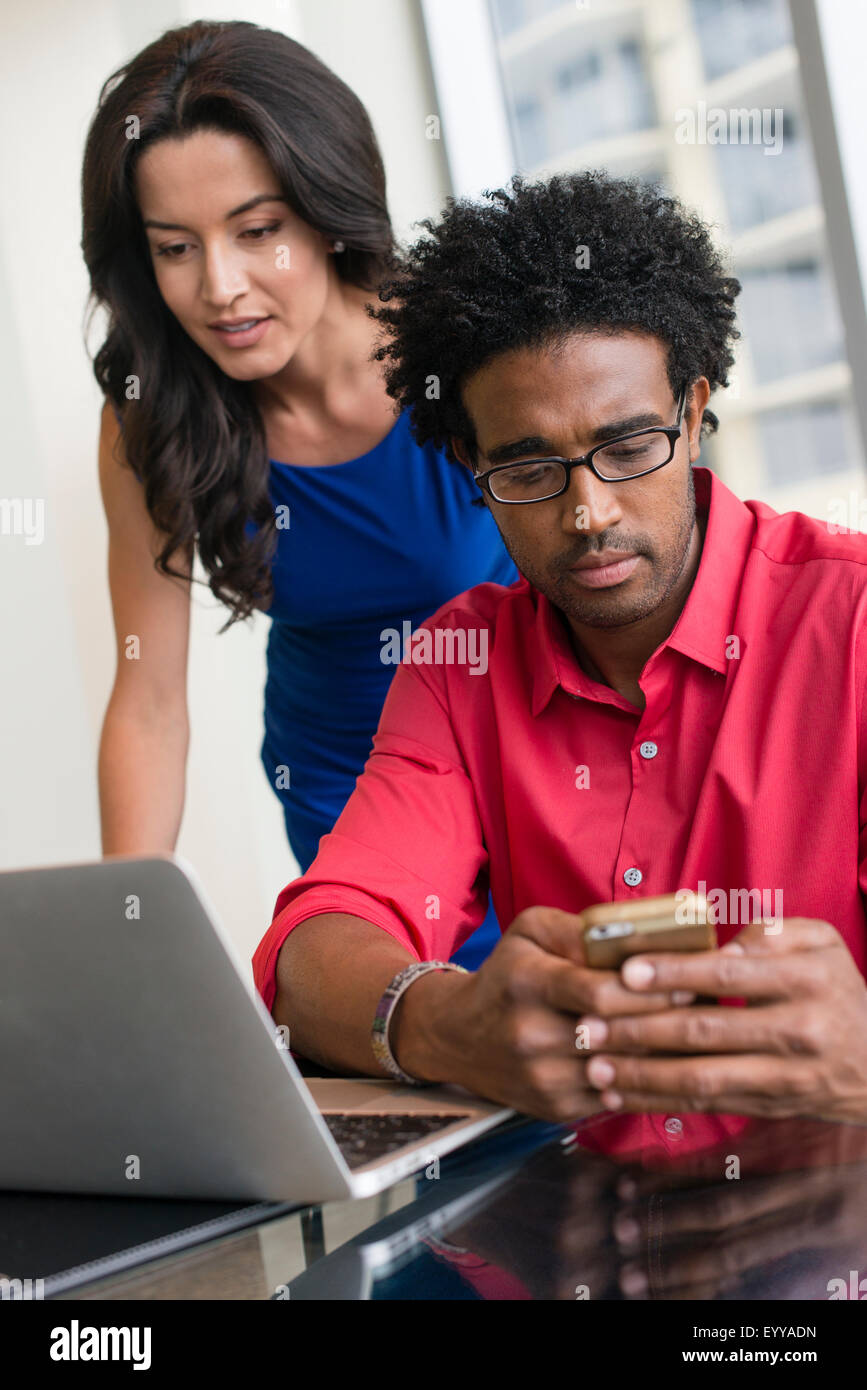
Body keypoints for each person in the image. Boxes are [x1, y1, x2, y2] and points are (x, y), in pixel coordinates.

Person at [254, 171, 867, 1162]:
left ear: (695, 408)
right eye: (530, 471)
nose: (588, 513)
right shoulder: (461, 666)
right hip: (581, 1228)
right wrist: (445, 1022)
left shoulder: (851, 623)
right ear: (470, 469)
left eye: (628, 447)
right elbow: (320, 944)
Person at [83, 19, 516, 969]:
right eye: (175, 248)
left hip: (530, 769)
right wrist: (126, 926)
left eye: (258, 232)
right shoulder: (151, 416)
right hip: (344, 796)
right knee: (416, 1074)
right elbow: (149, 698)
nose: (221, 289)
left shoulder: (464, 349)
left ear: (325, 209)